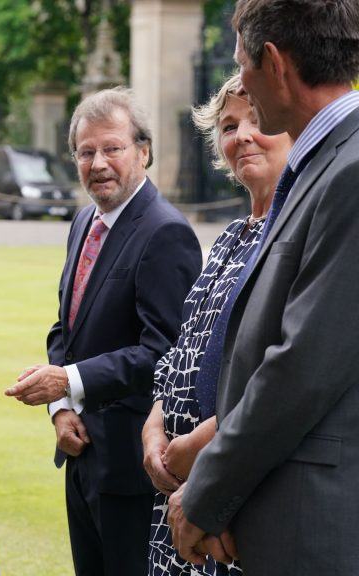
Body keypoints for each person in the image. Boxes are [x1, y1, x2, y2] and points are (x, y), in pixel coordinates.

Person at [167, 1, 359, 574]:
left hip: (313, 524)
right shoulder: (326, 160)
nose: (241, 80)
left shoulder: (348, 170)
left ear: (273, 62)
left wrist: (205, 494)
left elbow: (303, 365)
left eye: (241, 64)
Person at [5, 87, 202, 576]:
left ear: (144, 150)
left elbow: (164, 354)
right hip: (81, 457)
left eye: (112, 148)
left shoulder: (165, 232)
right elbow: (65, 328)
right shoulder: (83, 222)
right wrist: (61, 406)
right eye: (85, 152)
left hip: (134, 469)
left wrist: (68, 381)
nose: (98, 163)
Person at [142, 73, 292, 576]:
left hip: (234, 492)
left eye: (258, 121)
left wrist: (194, 449)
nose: (242, 135)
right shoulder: (229, 236)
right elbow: (184, 346)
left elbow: (281, 377)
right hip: (178, 494)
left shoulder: (297, 234)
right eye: (228, 126)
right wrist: (154, 425)